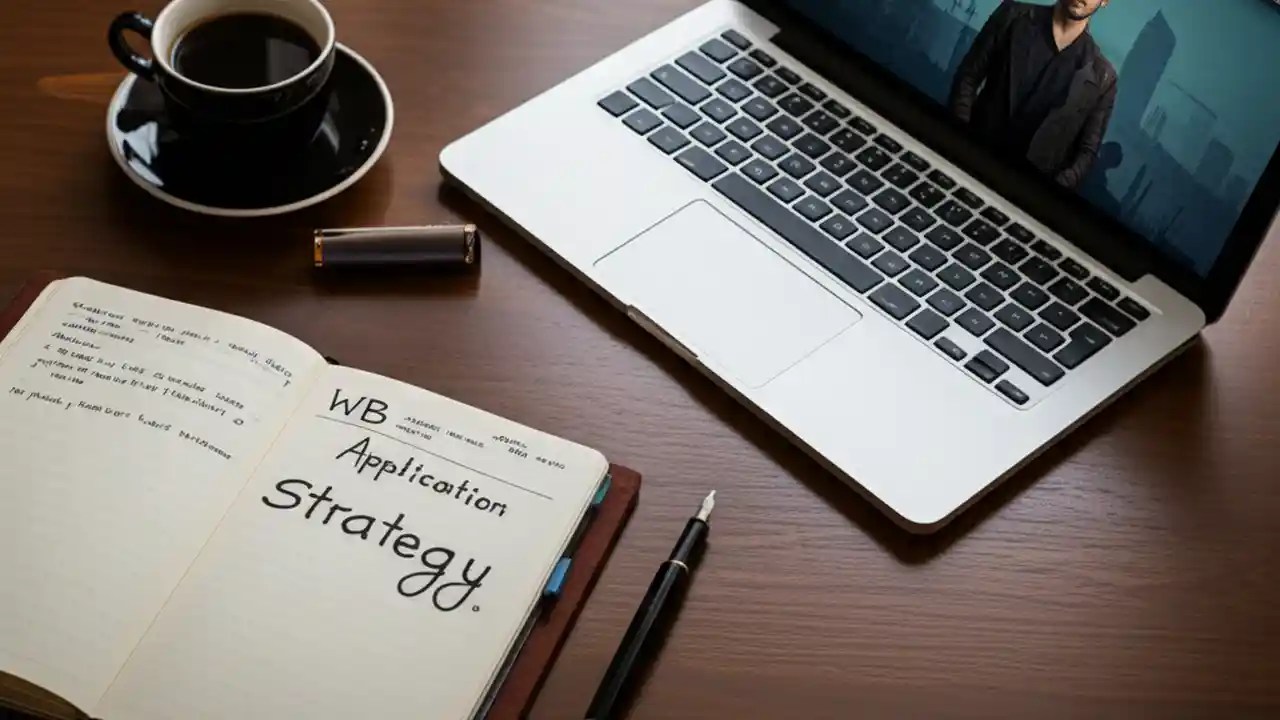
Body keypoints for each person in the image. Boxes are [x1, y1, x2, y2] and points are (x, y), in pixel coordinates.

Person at [948, 0, 1118, 190]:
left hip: (1024, 195)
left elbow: (1086, 153)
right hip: (965, 164)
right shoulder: (1012, 15)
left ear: (1105, 1)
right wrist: (961, 142)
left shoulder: (1103, 77)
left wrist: (1046, 195)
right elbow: (968, 77)